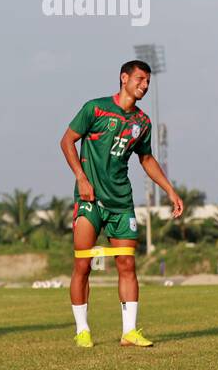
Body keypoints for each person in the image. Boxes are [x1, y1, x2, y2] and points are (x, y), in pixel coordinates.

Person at [60, 60, 183, 348]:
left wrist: (170, 191)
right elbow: (67, 141)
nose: (144, 85)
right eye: (140, 79)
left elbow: (147, 160)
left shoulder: (142, 122)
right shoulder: (95, 108)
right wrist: (81, 177)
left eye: (148, 82)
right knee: (84, 265)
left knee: (127, 264)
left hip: (121, 202)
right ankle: (82, 330)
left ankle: (129, 332)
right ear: (123, 78)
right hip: (90, 200)